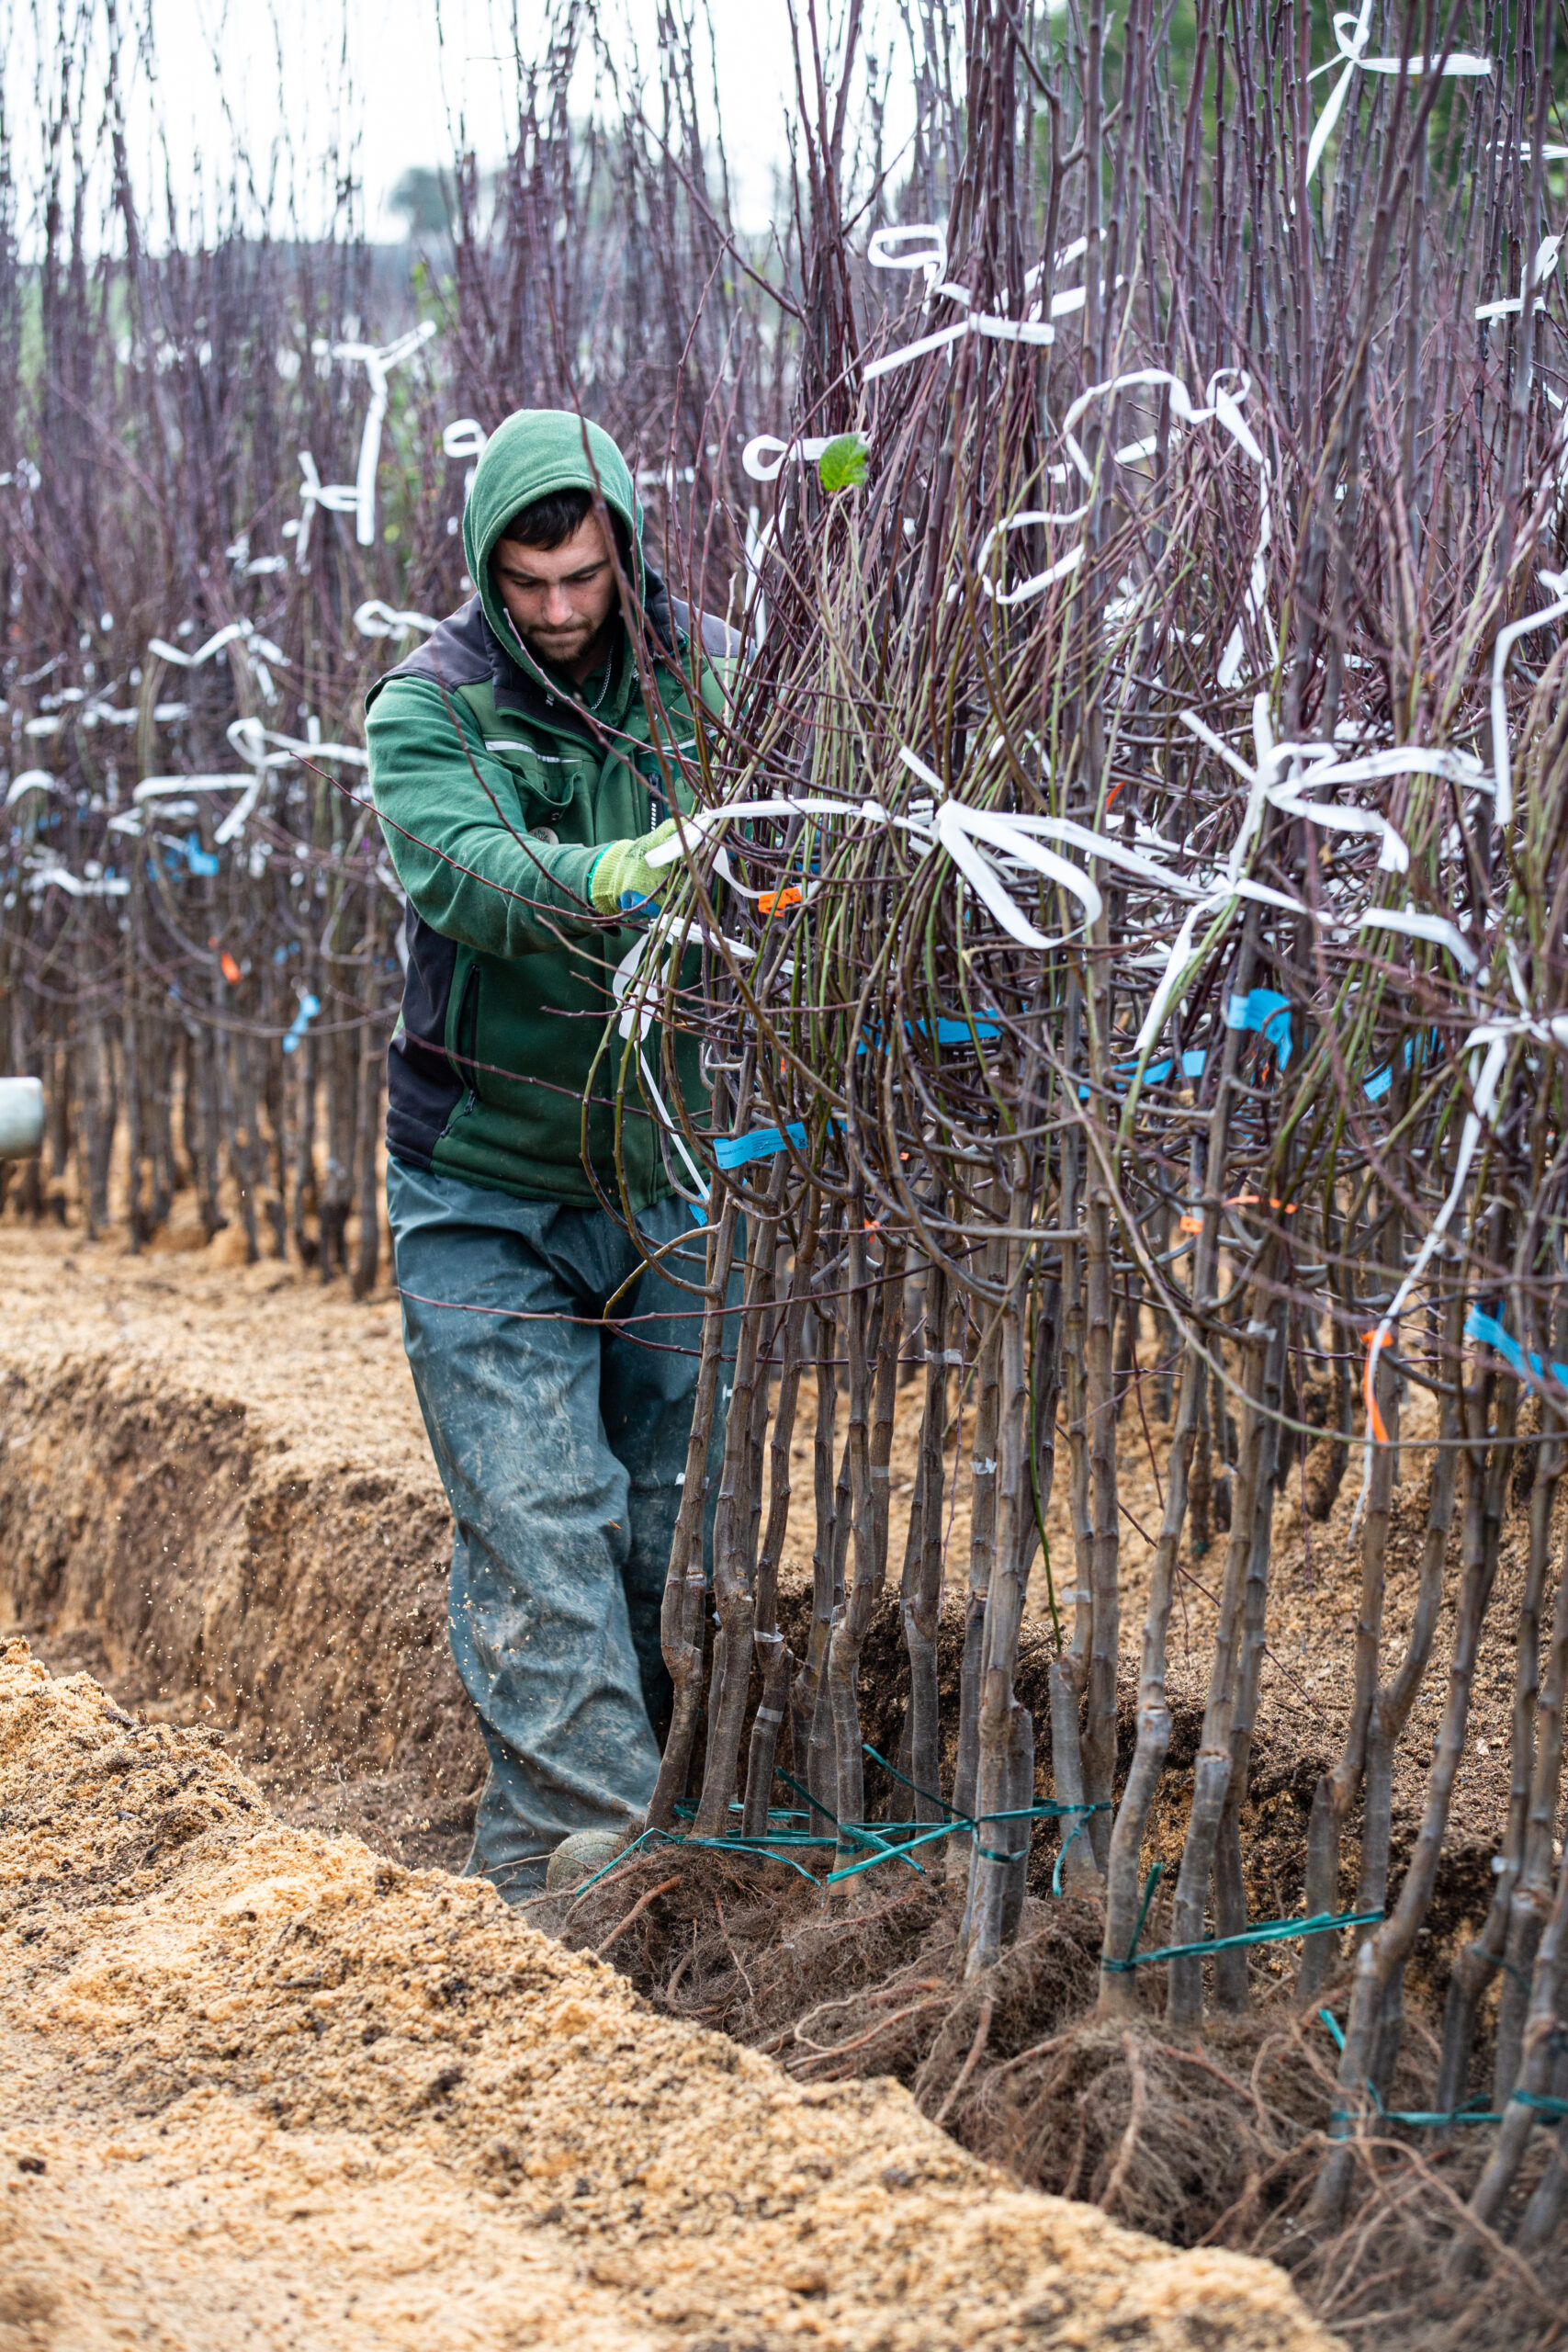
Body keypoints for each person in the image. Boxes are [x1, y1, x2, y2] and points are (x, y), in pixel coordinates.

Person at [366, 408, 735, 1899]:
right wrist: (615, 874)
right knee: (539, 1525)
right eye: (529, 584)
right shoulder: (430, 706)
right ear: (486, 568)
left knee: (663, 1534)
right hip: (483, 1186)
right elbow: (475, 875)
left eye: (586, 577)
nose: (563, 610)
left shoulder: (714, 682)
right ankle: (589, 1891)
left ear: (625, 550)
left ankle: (598, 1854)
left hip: (667, 1175)